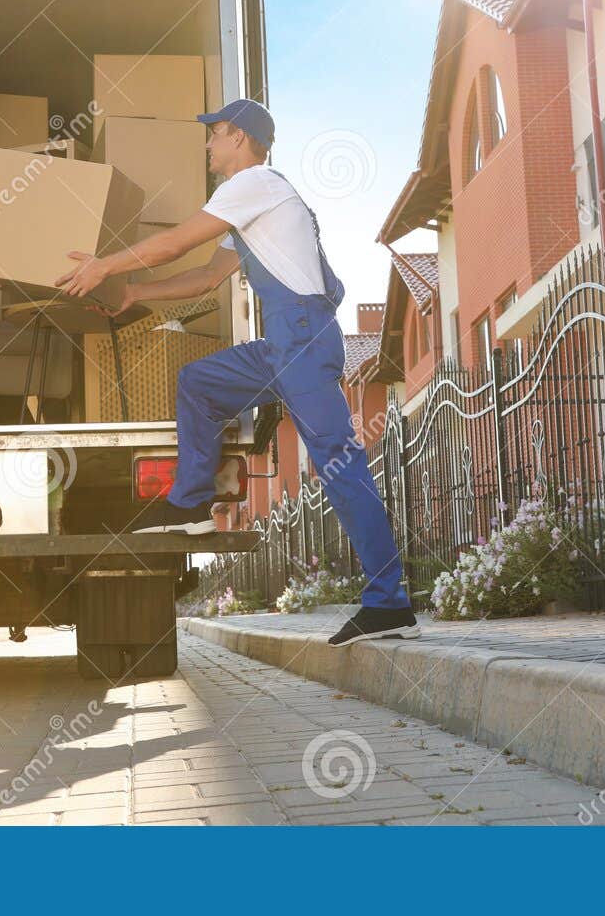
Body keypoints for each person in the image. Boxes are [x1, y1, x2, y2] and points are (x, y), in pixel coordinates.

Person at [57, 99, 419, 646]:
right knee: (199, 382)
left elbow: (179, 242)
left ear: (242, 139)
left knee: (340, 467)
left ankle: (388, 602)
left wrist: (105, 264)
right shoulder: (251, 205)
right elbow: (206, 276)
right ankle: (192, 504)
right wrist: (134, 292)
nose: (208, 145)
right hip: (281, 343)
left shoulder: (257, 183)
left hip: (301, 337)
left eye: (216, 134)